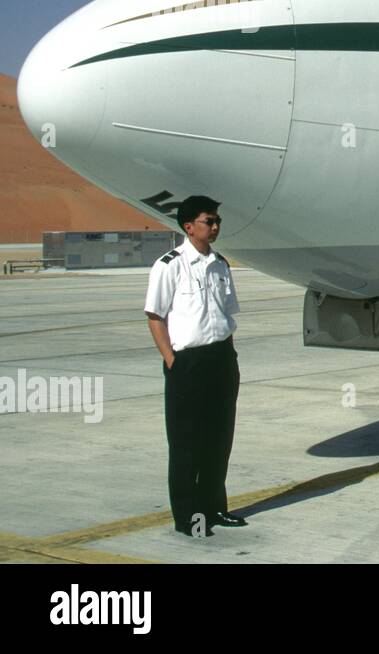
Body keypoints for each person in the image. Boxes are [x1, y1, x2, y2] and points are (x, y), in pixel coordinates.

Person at [145, 195, 246, 537]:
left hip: (220, 360)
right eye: (209, 221)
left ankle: (215, 509)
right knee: (187, 443)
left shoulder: (221, 265)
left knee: (219, 440)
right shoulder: (169, 265)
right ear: (188, 226)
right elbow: (155, 317)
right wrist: (172, 361)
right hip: (187, 363)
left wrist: (228, 356)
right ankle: (188, 517)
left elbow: (226, 314)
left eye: (217, 221)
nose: (215, 227)